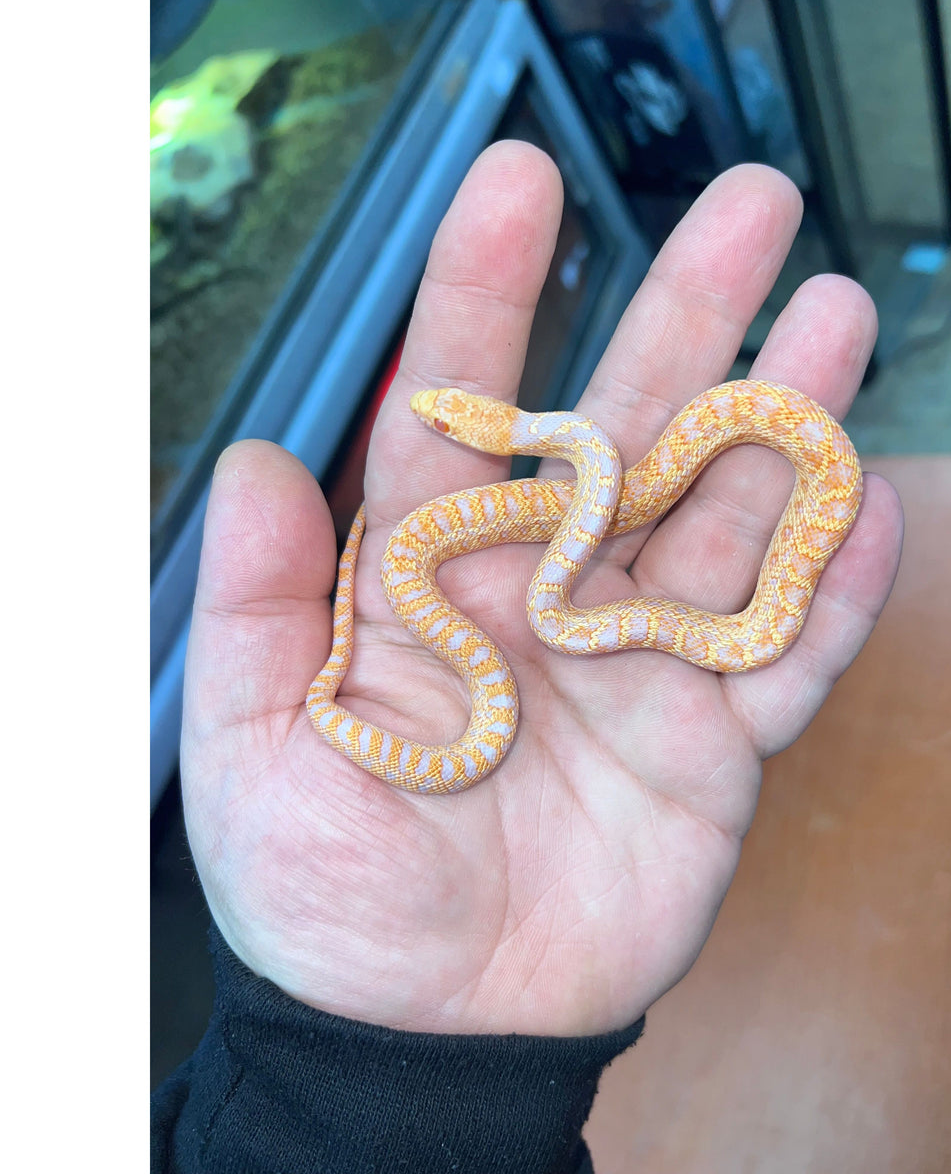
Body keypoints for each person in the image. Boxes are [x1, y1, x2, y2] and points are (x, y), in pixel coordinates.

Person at [151, 140, 905, 1172]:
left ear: (491, 430)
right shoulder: (572, 478)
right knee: (514, 572)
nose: (437, 422)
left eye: (447, 422)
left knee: (580, 587)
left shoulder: (591, 486)